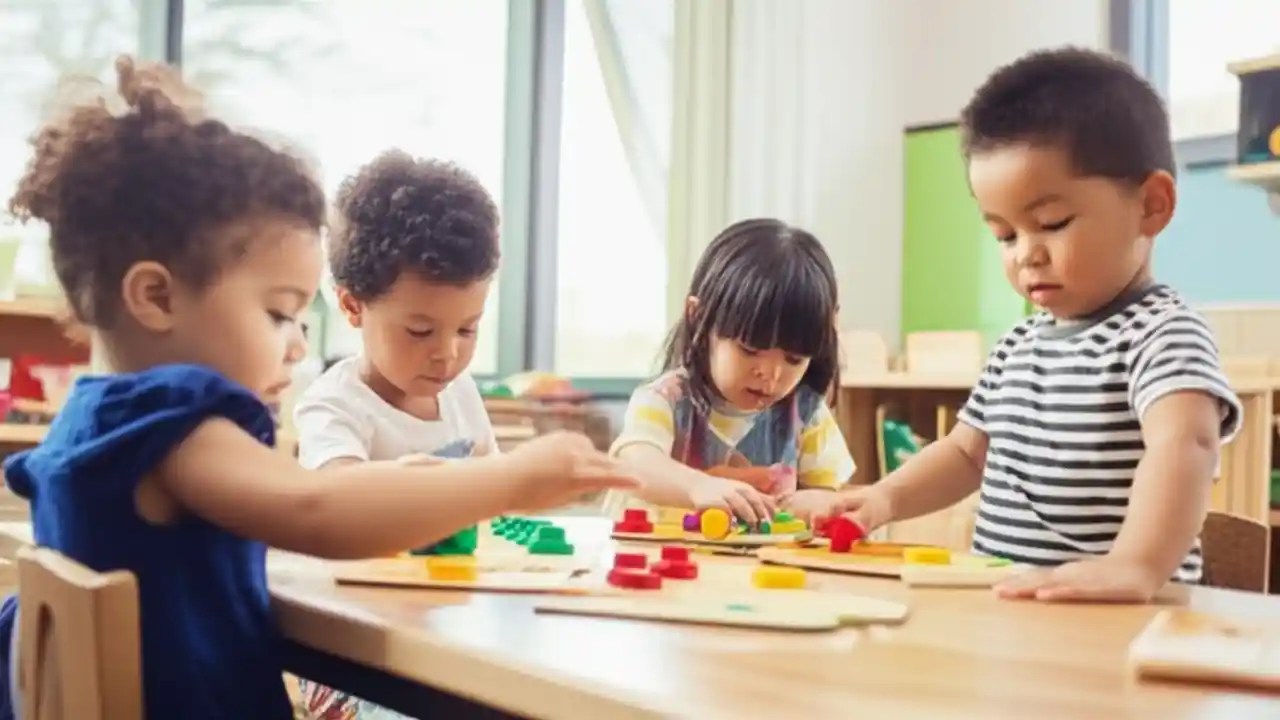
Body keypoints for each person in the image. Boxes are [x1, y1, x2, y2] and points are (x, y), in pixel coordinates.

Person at [0, 56, 634, 720]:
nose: (298, 343)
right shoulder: (171, 424)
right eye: (278, 313)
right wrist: (514, 479)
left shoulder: (90, 421)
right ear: (156, 295)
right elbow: (316, 509)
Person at [820, 47, 1241, 603]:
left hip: (1117, 619)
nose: (1025, 255)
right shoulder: (1018, 344)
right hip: (1012, 616)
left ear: (1152, 205)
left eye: (1051, 223)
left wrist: (1134, 565)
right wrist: (885, 498)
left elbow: (1185, 443)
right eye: (1004, 235)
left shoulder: (1161, 335)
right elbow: (967, 453)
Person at [291, 151, 503, 719]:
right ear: (352, 305)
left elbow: (496, 497)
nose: (447, 352)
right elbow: (337, 498)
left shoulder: (460, 394)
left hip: (450, 632)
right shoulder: (334, 407)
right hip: (355, 654)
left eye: (468, 328)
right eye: (419, 329)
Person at [609, 218, 856, 525]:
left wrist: (820, 502)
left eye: (794, 359)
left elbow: (828, 492)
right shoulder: (665, 400)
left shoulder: (806, 413)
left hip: (757, 570)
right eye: (749, 350)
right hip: (667, 565)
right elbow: (634, 464)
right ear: (698, 318)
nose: (771, 375)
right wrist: (698, 486)